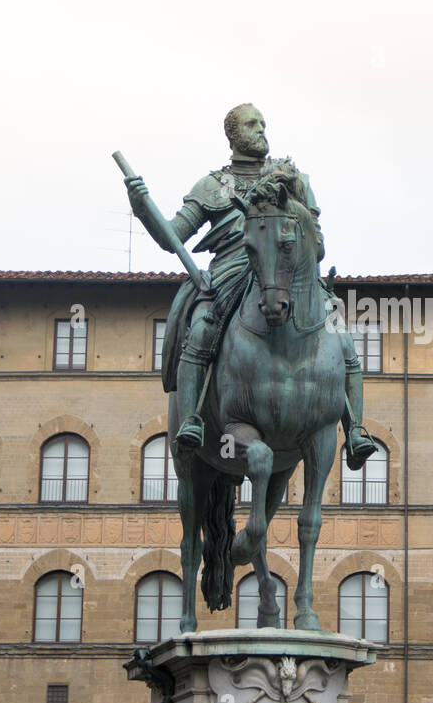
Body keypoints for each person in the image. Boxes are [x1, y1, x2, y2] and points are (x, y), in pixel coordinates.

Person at [125, 103, 378, 470]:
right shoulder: (214, 185)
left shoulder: (293, 180)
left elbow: (318, 245)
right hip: (231, 269)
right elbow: (173, 236)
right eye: (251, 123)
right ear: (232, 134)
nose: (261, 129)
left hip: (289, 274)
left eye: (263, 123)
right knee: (200, 326)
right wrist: (143, 209)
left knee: (340, 332)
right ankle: (193, 420)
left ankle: (355, 428)